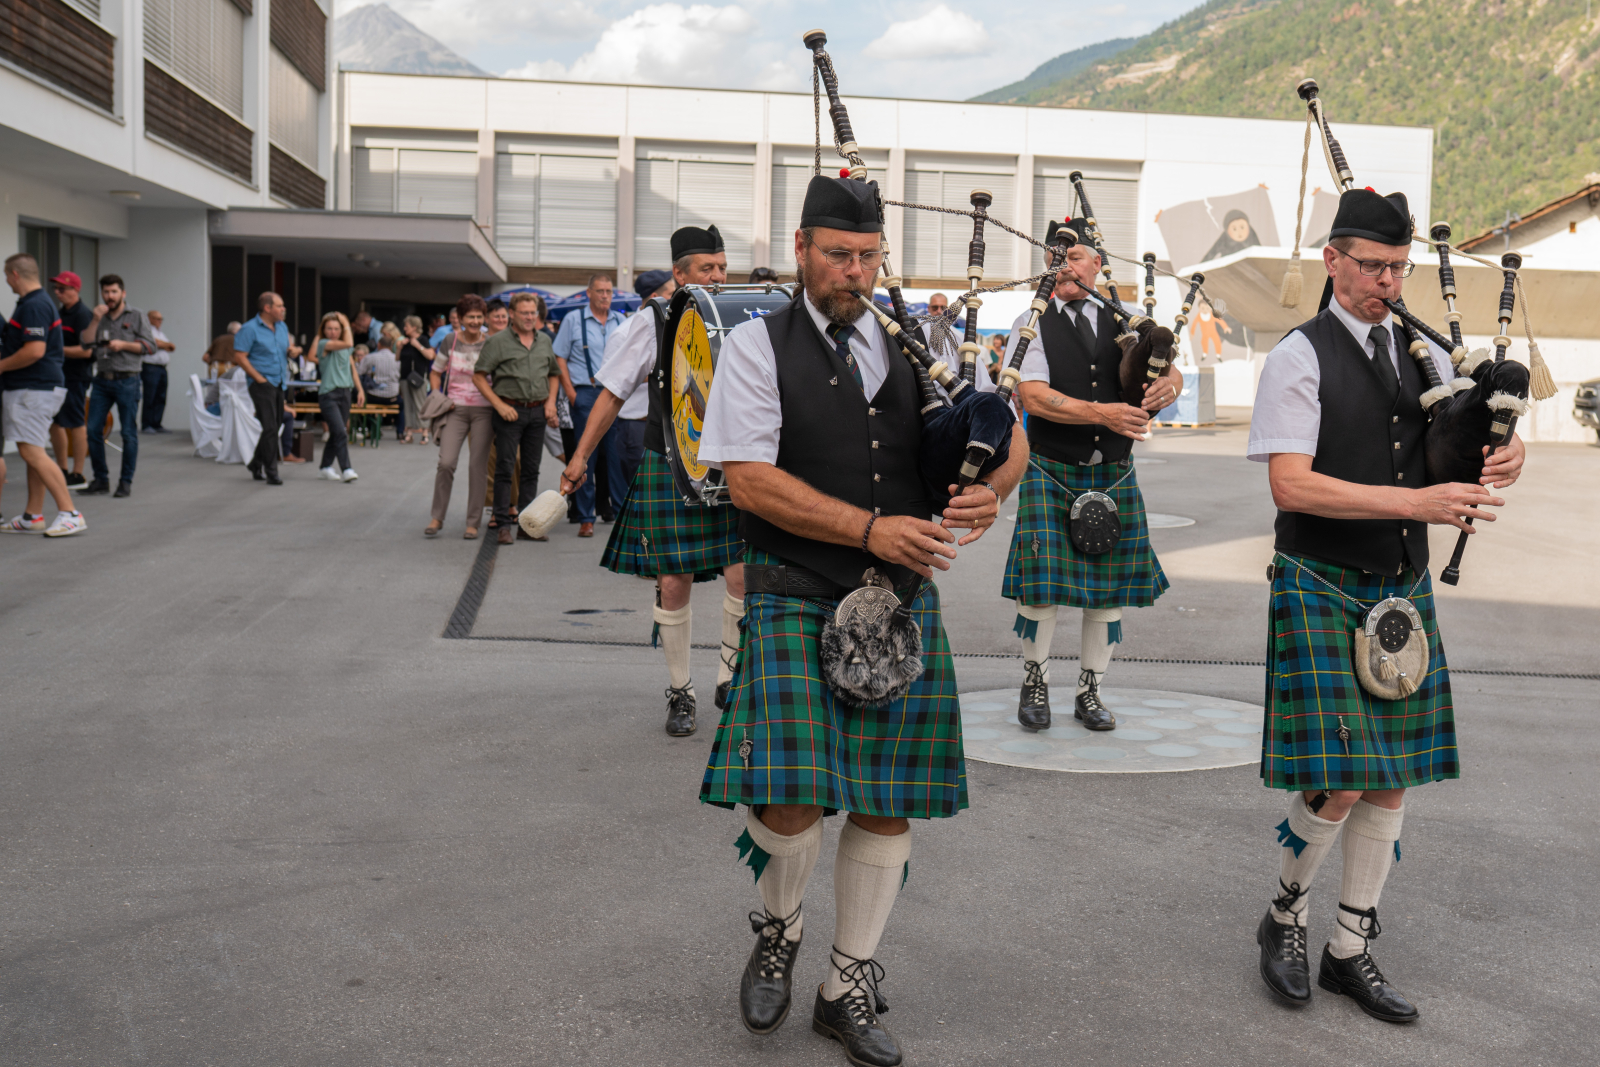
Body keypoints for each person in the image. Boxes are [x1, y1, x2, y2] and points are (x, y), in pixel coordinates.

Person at [696, 175, 1026, 1067]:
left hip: (900, 600)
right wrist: (870, 528)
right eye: (838, 254)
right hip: (794, 587)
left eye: (868, 256)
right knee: (790, 796)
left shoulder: (923, 343)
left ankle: (846, 983)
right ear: (802, 248)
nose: (854, 271)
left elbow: (1009, 431)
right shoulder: (757, 346)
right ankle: (780, 927)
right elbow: (750, 480)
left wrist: (992, 490)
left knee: (886, 801)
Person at [1247, 188, 1524, 1023]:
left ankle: (1349, 946)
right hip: (1322, 579)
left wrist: (1506, 447)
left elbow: (1465, 435)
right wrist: (1416, 504)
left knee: (1392, 779)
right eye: (1372, 267)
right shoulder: (1298, 356)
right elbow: (1290, 484)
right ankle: (1286, 913)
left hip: (1399, 584)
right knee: (1339, 780)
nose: (1388, 283)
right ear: (1332, 260)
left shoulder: (1425, 351)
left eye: (1399, 268)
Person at [1000, 218, 1181, 732]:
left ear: (1097, 264)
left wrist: (1170, 383)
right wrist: (1104, 414)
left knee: (1107, 593)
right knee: (1041, 590)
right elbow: (1032, 397)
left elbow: (1165, 365)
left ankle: (1090, 690)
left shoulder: (1125, 319)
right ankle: (1035, 681)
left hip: (1114, 474)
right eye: (1054, 256)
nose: (1061, 264)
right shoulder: (1030, 321)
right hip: (1051, 470)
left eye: (1074, 255)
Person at [560, 232, 738, 736]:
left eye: (722, 267)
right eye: (706, 268)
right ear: (679, 274)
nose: (718, 277)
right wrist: (580, 458)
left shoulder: (739, 317)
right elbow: (613, 393)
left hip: (730, 463)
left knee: (744, 572)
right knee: (674, 580)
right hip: (673, 463)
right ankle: (681, 692)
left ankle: (730, 677)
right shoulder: (652, 321)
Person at [0, 253, 85, 536]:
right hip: (36, 388)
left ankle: (70, 513)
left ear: (15, 274)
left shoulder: (34, 305)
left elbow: (35, 350)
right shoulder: (36, 303)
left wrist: (0, 366)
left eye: (6, 275)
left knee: (31, 451)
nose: (6, 281)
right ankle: (32, 515)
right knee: (32, 448)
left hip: (33, 388)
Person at [475, 293, 560, 545]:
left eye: (533, 313)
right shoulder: (497, 341)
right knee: (505, 468)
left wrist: (551, 403)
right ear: (512, 314)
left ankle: (526, 525)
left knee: (531, 470)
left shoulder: (544, 340)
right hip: (509, 411)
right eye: (524, 313)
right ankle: (502, 524)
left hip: (537, 412)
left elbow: (553, 374)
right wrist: (499, 405)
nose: (529, 317)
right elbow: (478, 376)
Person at [552, 273, 626, 537]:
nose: (605, 295)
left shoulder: (620, 321)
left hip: (615, 394)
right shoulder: (573, 320)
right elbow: (559, 357)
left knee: (616, 456)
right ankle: (586, 517)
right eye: (600, 291)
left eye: (609, 291)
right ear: (589, 293)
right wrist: (571, 392)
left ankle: (621, 513)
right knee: (585, 456)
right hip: (585, 392)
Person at [82, 274, 157, 497]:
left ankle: (125, 482)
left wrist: (123, 345)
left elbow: (150, 347)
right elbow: (85, 343)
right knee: (93, 430)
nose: (110, 296)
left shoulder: (136, 315)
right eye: (106, 292)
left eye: (114, 292)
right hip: (102, 379)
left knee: (128, 432)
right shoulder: (99, 316)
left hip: (128, 380)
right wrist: (95, 320)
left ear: (123, 293)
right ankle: (101, 480)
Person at [426, 295, 493, 540]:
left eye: (479, 317)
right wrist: (437, 396)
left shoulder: (491, 342)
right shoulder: (450, 340)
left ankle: (473, 522)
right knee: (446, 463)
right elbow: (435, 372)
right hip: (454, 409)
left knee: (477, 466)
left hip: (484, 410)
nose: (475, 321)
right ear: (461, 319)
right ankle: (437, 517)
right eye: (470, 317)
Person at [233, 292, 301, 485]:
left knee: (275, 426)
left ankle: (255, 463)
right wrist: (258, 379)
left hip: (279, 382)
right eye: (279, 306)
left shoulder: (282, 327)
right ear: (267, 308)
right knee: (270, 426)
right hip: (261, 384)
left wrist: (294, 350)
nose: (283, 309)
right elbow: (239, 356)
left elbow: (288, 348)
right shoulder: (249, 329)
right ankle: (272, 472)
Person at [47, 271, 94, 487]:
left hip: (75, 376)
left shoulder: (83, 315)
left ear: (75, 290)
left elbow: (86, 351)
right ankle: (62, 469)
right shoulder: (59, 313)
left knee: (75, 422)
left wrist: (56, 350)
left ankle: (78, 473)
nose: (58, 293)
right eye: (56, 289)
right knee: (55, 422)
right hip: (58, 375)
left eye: (62, 289)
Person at [313, 312, 363, 483]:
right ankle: (346, 469)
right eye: (329, 328)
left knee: (337, 432)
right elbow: (349, 342)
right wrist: (346, 323)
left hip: (345, 392)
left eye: (336, 328)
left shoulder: (345, 348)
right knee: (340, 431)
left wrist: (360, 390)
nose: (333, 332)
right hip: (329, 394)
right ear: (323, 330)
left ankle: (325, 467)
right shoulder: (323, 343)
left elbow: (352, 369)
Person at [398, 316, 434, 444]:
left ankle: (425, 432)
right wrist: (399, 347)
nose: (404, 328)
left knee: (420, 404)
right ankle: (409, 432)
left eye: (406, 326)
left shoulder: (423, 339)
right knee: (408, 405)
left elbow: (430, 355)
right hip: (405, 377)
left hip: (418, 377)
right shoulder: (405, 341)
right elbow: (397, 358)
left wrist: (418, 346)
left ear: (414, 327)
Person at [141, 309, 175, 433]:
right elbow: (155, 344)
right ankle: (147, 424)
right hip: (150, 367)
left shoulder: (160, 333)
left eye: (161, 319)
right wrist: (164, 345)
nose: (160, 321)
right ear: (150, 318)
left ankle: (156, 423)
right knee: (150, 395)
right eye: (157, 318)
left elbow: (171, 346)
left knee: (161, 396)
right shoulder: (146, 330)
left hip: (162, 368)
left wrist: (164, 344)